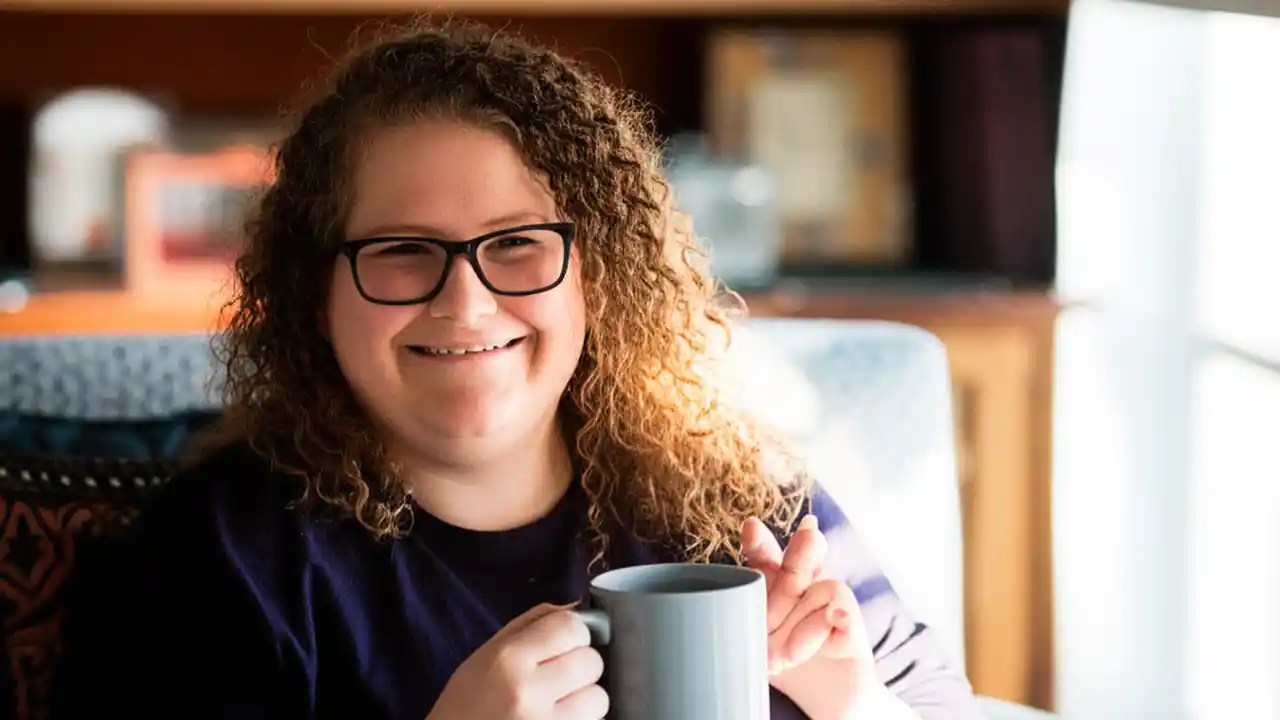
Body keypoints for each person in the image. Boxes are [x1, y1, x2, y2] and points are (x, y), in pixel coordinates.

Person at [53, 20, 980, 720]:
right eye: (404, 251)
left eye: (518, 245)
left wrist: (854, 698)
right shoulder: (228, 558)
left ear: (599, 275)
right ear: (312, 291)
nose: (465, 304)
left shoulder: (739, 498)